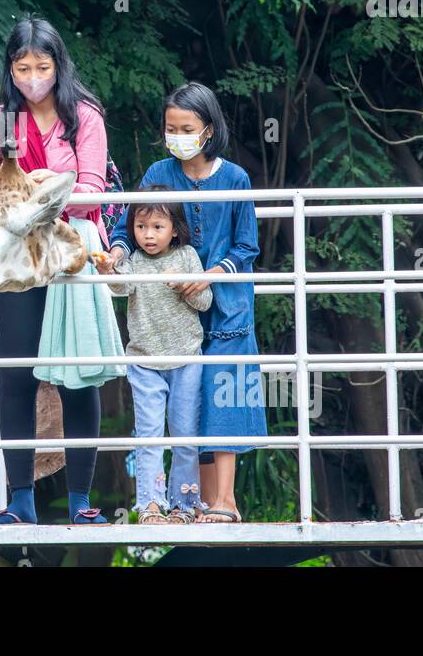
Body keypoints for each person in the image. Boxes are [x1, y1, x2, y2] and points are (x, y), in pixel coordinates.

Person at [100, 82, 264, 524]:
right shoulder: (157, 173)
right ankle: (193, 504)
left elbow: (248, 246)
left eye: (186, 128)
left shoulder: (235, 178)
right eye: (170, 127)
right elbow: (124, 226)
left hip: (227, 303)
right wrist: (116, 255)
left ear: (208, 130)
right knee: (184, 414)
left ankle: (224, 502)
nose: (176, 135)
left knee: (223, 400)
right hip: (169, 314)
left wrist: (208, 275)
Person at [0, 17, 117, 525]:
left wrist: (37, 192)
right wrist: (45, 190)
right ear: (10, 70)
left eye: (42, 66)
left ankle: (82, 502)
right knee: (16, 375)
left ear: (59, 67)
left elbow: (93, 193)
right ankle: (19, 501)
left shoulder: (85, 118)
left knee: (78, 377)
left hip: (71, 253)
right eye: (22, 67)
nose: (33, 76)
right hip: (16, 258)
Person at [96, 184, 213, 524]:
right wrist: (108, 273)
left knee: (185, 437)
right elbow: (120, 288)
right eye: (141, 227)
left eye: (157, 227)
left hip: (186, 360)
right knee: (148, 437)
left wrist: (185, 286)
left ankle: (185, 505)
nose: (148, 235)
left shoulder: (187, 256)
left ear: (175, 229)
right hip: (145, 362)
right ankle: (150, 505)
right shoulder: (133, 260)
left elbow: (204, 302)